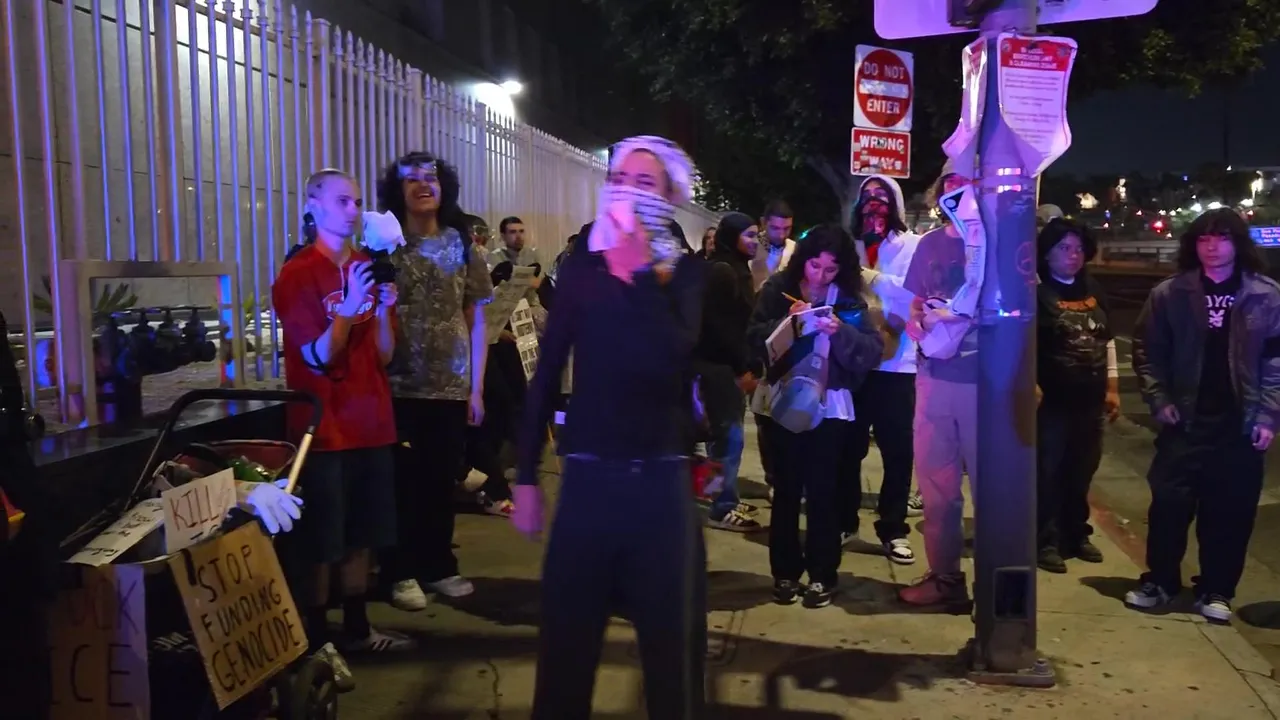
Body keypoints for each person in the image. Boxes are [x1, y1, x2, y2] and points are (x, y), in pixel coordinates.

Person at [512, 135, 708, 719]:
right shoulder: (583, 269)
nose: (627, 191)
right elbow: (547, 370)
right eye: (620, 178)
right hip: (587, 482)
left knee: (671, 662)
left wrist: (637, 275)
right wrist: (526, 475)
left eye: (645, 183)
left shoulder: (686, 275)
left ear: (670, 197)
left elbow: (671, 358)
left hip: (660, 486)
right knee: (564, 658)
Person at [272, 168, 411, 688]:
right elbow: (318, 356)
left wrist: (383, 312)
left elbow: (385, 356)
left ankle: (357, 627)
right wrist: (349, 309)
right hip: (323, 426)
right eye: (342, 201)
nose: (353, 210)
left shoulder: (366, 267)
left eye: (356, 201)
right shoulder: (297, 275)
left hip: (371, 420)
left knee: (363, 534)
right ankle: (316, 641)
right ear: (313, 206)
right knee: (322, 541)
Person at [1127, 208, 1280, 622]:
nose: (1212, 247)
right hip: (1184, 421)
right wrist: (1159, 399)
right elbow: (1148, 351)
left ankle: (1217, 589)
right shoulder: (1170, 293)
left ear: (1238, 243)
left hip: (1239, 424)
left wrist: (1268, 415)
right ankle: (1160, 581)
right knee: (1168, 506)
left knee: (1230, 512)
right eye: (1204, 239)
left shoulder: (1265, 295)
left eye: (1222, 238)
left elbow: (1275, 360)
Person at [378, 152, 494, 610]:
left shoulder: (461, 243)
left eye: (431, 178)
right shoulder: (384, 242)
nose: (422, 185)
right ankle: (399, 570)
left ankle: (439, 565)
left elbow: (477, 318)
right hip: (395, 383)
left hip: (450, 383)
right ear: (397, 189)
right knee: (400, 483)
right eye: (411, 179)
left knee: (440, 481)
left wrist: (476, 386)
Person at [749, 225, 885, 608]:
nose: (820, 276)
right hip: (784, 401)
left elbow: (871, 351)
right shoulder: (779, 289)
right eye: (814, 266)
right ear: (802, 260)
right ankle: (785, 572)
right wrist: (787, 323)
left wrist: (840, 332)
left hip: (831, 405)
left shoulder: (850, 300)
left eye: (830, 269)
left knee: (824, 492)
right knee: (786, 490)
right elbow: (754, 337)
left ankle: (823, 575)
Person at [898, 168, 980, 608]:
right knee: (937, 486)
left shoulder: (997, 243)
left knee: (992, 490)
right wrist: (916, 324)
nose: (955, 190)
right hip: (933, 377)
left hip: (984, 383)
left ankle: (995, 587)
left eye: (965, 181)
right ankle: (945, 578)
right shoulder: (929, 244)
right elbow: (913, 303)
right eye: (948, 183)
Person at [841, 174, 922, 565]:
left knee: (898, 452)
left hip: (899, 365)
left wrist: (874, 279)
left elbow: (916, 293)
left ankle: (893, 528)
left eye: (882, 195)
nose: (874, 202)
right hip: (854, 362)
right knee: (847, 448)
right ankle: (844, 520)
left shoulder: (914, 246)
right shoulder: (851, 247)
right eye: (867, 196)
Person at [1035, 218, 1121, 573]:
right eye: (1064, 248)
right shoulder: (1037, 293)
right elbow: (1023, 345)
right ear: (1047, 253)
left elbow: (1107, 339)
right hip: (1052, 403)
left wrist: (1112, 387)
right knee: (1047, 473)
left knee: (1081, 471)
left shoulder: (1093, 289)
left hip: (1091, 401)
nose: (1073, 255)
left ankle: (1076, 533)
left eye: (1079, 249)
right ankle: (1045, 540)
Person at [695, 212, 763, 532]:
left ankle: (721, 496)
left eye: (756, 235)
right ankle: (722, 506)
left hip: (722, 367)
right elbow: (722, 329)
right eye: (748, 235)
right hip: (719, 369)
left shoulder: (735, 269)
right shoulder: (723, 271)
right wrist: (742, 368)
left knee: (720, 440)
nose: (755, 241)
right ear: (731, 237)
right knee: (728, 439)